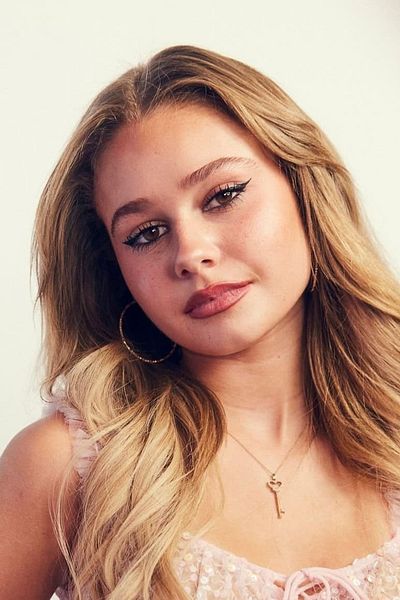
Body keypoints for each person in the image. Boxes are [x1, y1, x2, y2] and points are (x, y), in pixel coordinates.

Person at [0, 44, 399, 600]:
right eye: (146, 233)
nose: (190, 253)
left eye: (222, 196)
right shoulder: (67, 467)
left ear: (304, 187)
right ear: (114, 269)